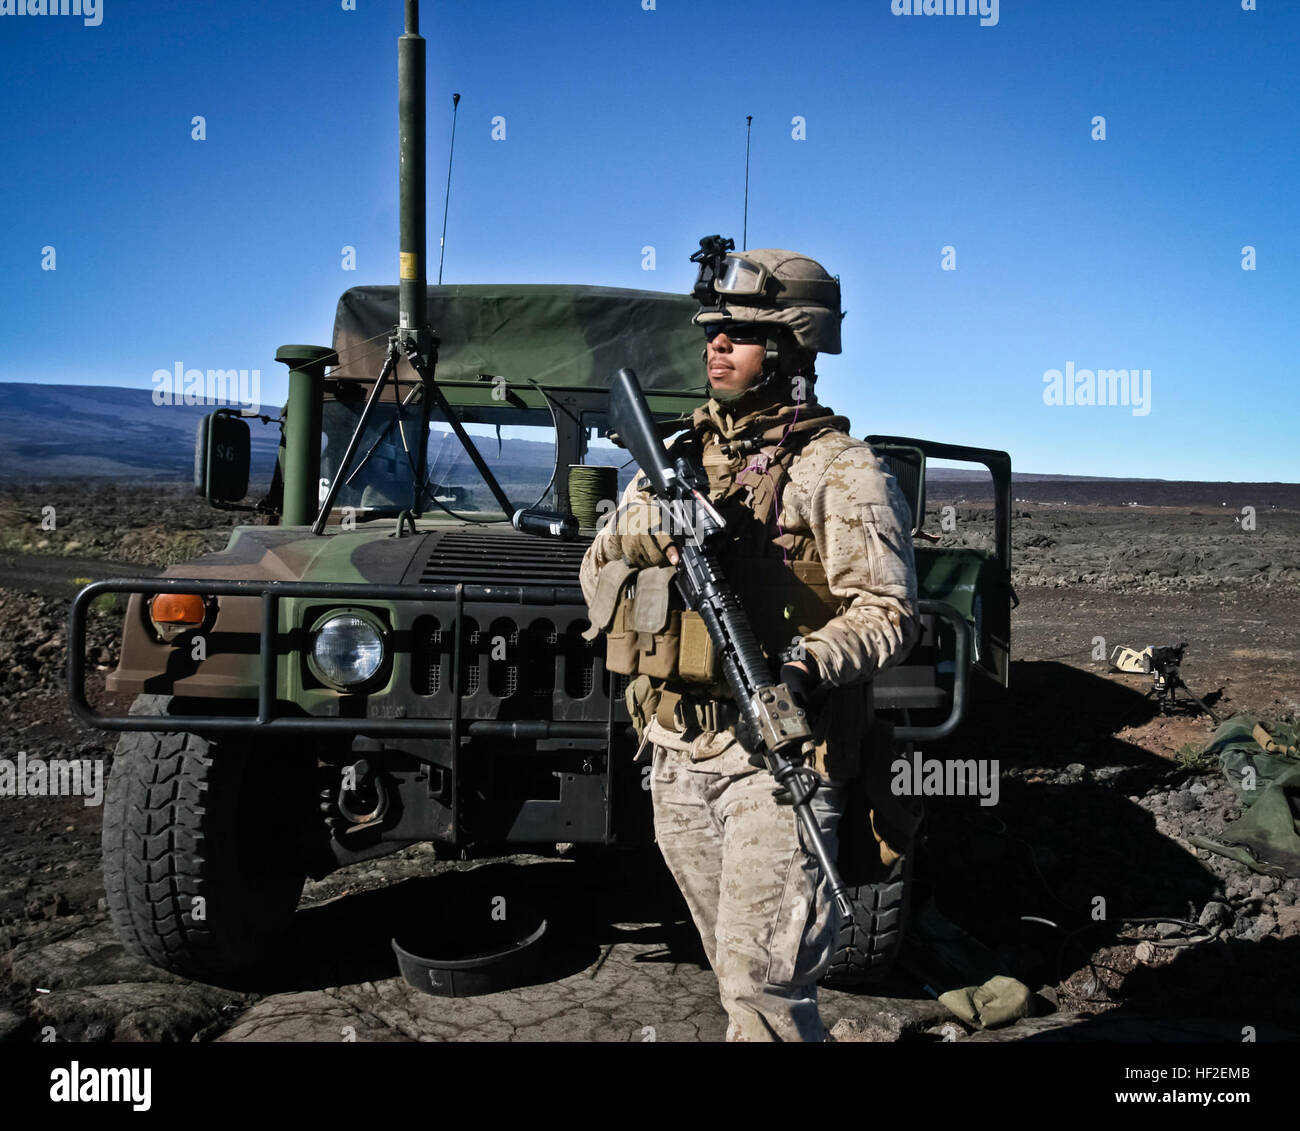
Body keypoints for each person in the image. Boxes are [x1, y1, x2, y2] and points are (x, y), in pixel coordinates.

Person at [579, 242, 920, 1041]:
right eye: (714, 331)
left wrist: (806, 666)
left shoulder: (839, 471)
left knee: (762, 991)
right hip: (673, 750)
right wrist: (643, 532)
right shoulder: (671, 458)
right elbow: (592, 577)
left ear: (793, 348)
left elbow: (890, 612)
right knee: (736, 973)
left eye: (741, 333)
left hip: (779, 762)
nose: (716, 346)